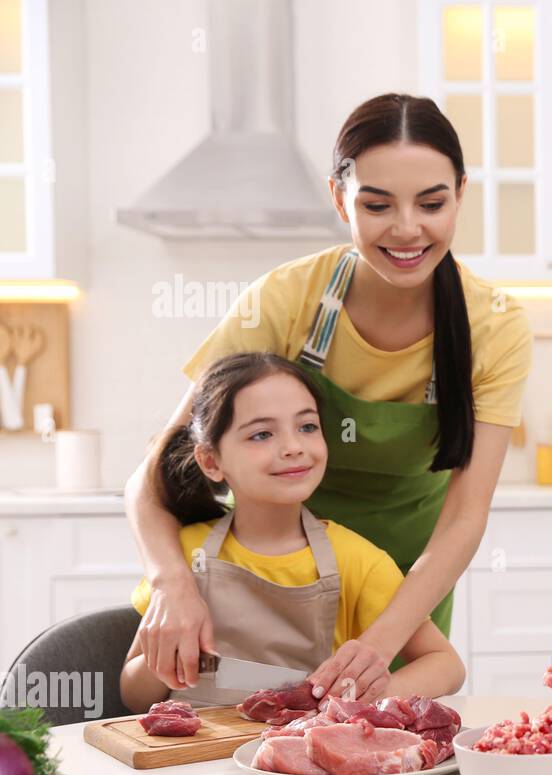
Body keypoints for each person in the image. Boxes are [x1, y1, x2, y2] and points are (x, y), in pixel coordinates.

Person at [124, 93, 530, 703]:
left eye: (432, 203)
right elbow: (158, 471)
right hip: (266, 562)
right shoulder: (287, 300)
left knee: (367, 744)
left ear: (461, 194)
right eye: (376, 204)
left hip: (400, 588)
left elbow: (464, 518)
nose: (406, 229)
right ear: (340, 199)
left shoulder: (493, 327)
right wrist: (171, 582)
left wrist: (381, 642)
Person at [121, 352, 465, 713]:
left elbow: (447, 665)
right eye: (262, 434)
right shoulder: (185, 554)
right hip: (188, 763)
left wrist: (375, 694)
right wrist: (168, 657)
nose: (294, 447)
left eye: (307, 427)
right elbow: (132, 694)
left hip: (301, 764)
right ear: (211, 461)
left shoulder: (358, 561)